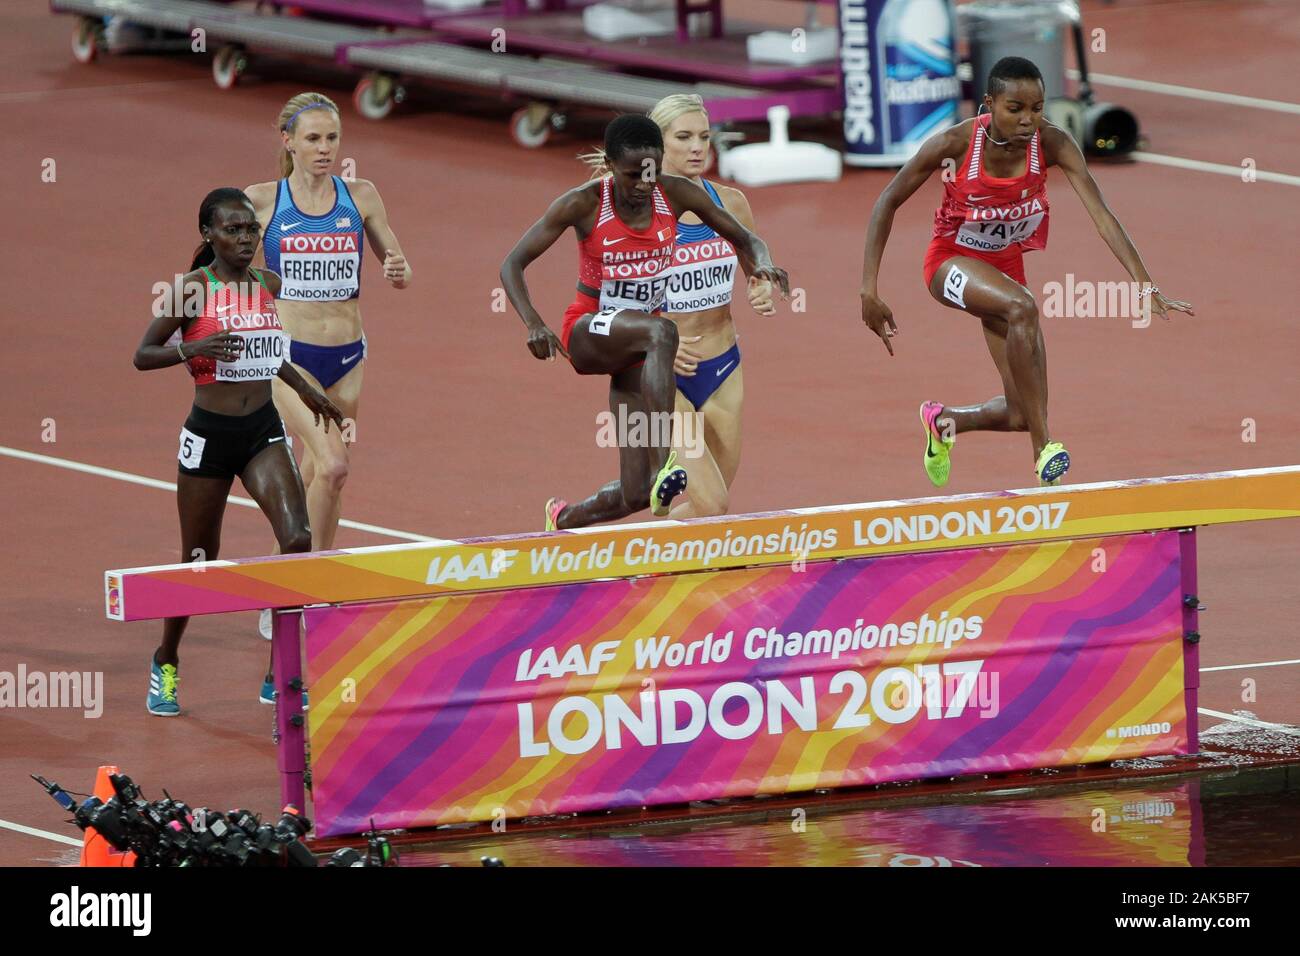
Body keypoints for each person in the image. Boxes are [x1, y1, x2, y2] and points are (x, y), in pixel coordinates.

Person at [858, 56, 1193, 487]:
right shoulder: (954, 145)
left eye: (1036, 108)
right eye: (1014, 109)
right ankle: (1045, 451)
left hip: (1004, 270)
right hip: (949, 263)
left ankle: (944, 422)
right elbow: (886, 201)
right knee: (1023, 306)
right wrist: (868, 289)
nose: (1028, 119)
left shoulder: (1053, 144)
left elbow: (1102, 215)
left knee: (1022, 411)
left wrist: (1144, 282)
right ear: (989, 104)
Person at [499, 114, 788, 530]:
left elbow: (747, 238)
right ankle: (669, 453)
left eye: (651, 174)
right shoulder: (582, 203)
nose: (644, 185)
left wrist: (763, 264)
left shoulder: (674, 194)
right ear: (612, 166)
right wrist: (533, 323)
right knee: (661, 329)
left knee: (638, 490)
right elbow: (512, 264)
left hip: (638, 353)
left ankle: (562, 520)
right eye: (634, 175)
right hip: (589, 331)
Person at [133, 188, 342, 717]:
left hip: (261, 431)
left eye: (251, 229)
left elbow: (268, 352)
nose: (245, 238)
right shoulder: (191, 291)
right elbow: (142, 355)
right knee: (200, 561)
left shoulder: (267, 284)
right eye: (233, 230)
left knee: (297, 538)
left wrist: (305, 387)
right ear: (208, 234)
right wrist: (193, 348)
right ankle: (167, 659)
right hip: (209, 437)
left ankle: (281, 671)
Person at [245, 91, 412, 645]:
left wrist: (396, 266)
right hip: (289, 357)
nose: (324, 149)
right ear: (287, 141)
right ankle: (305, 586)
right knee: (334, 465)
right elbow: (222, 271)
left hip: (348, 354)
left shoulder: (360, 195)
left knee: (322, 478)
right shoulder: (263, 202)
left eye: (332, 138)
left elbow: (399, 264)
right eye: (313, 138)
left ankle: (285, 580)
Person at [651, 94, 774, 518]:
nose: (697, 147)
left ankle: (576, 526)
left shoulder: (731, 203)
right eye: (683, 137)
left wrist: (761, 286)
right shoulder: (638, 216)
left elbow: (754, 262)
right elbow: (612, 303)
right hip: (664, 372)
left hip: (723, 367)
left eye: (703, 136)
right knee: (714, 501)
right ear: (658, 143)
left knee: (710, 508)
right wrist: (658, 343)